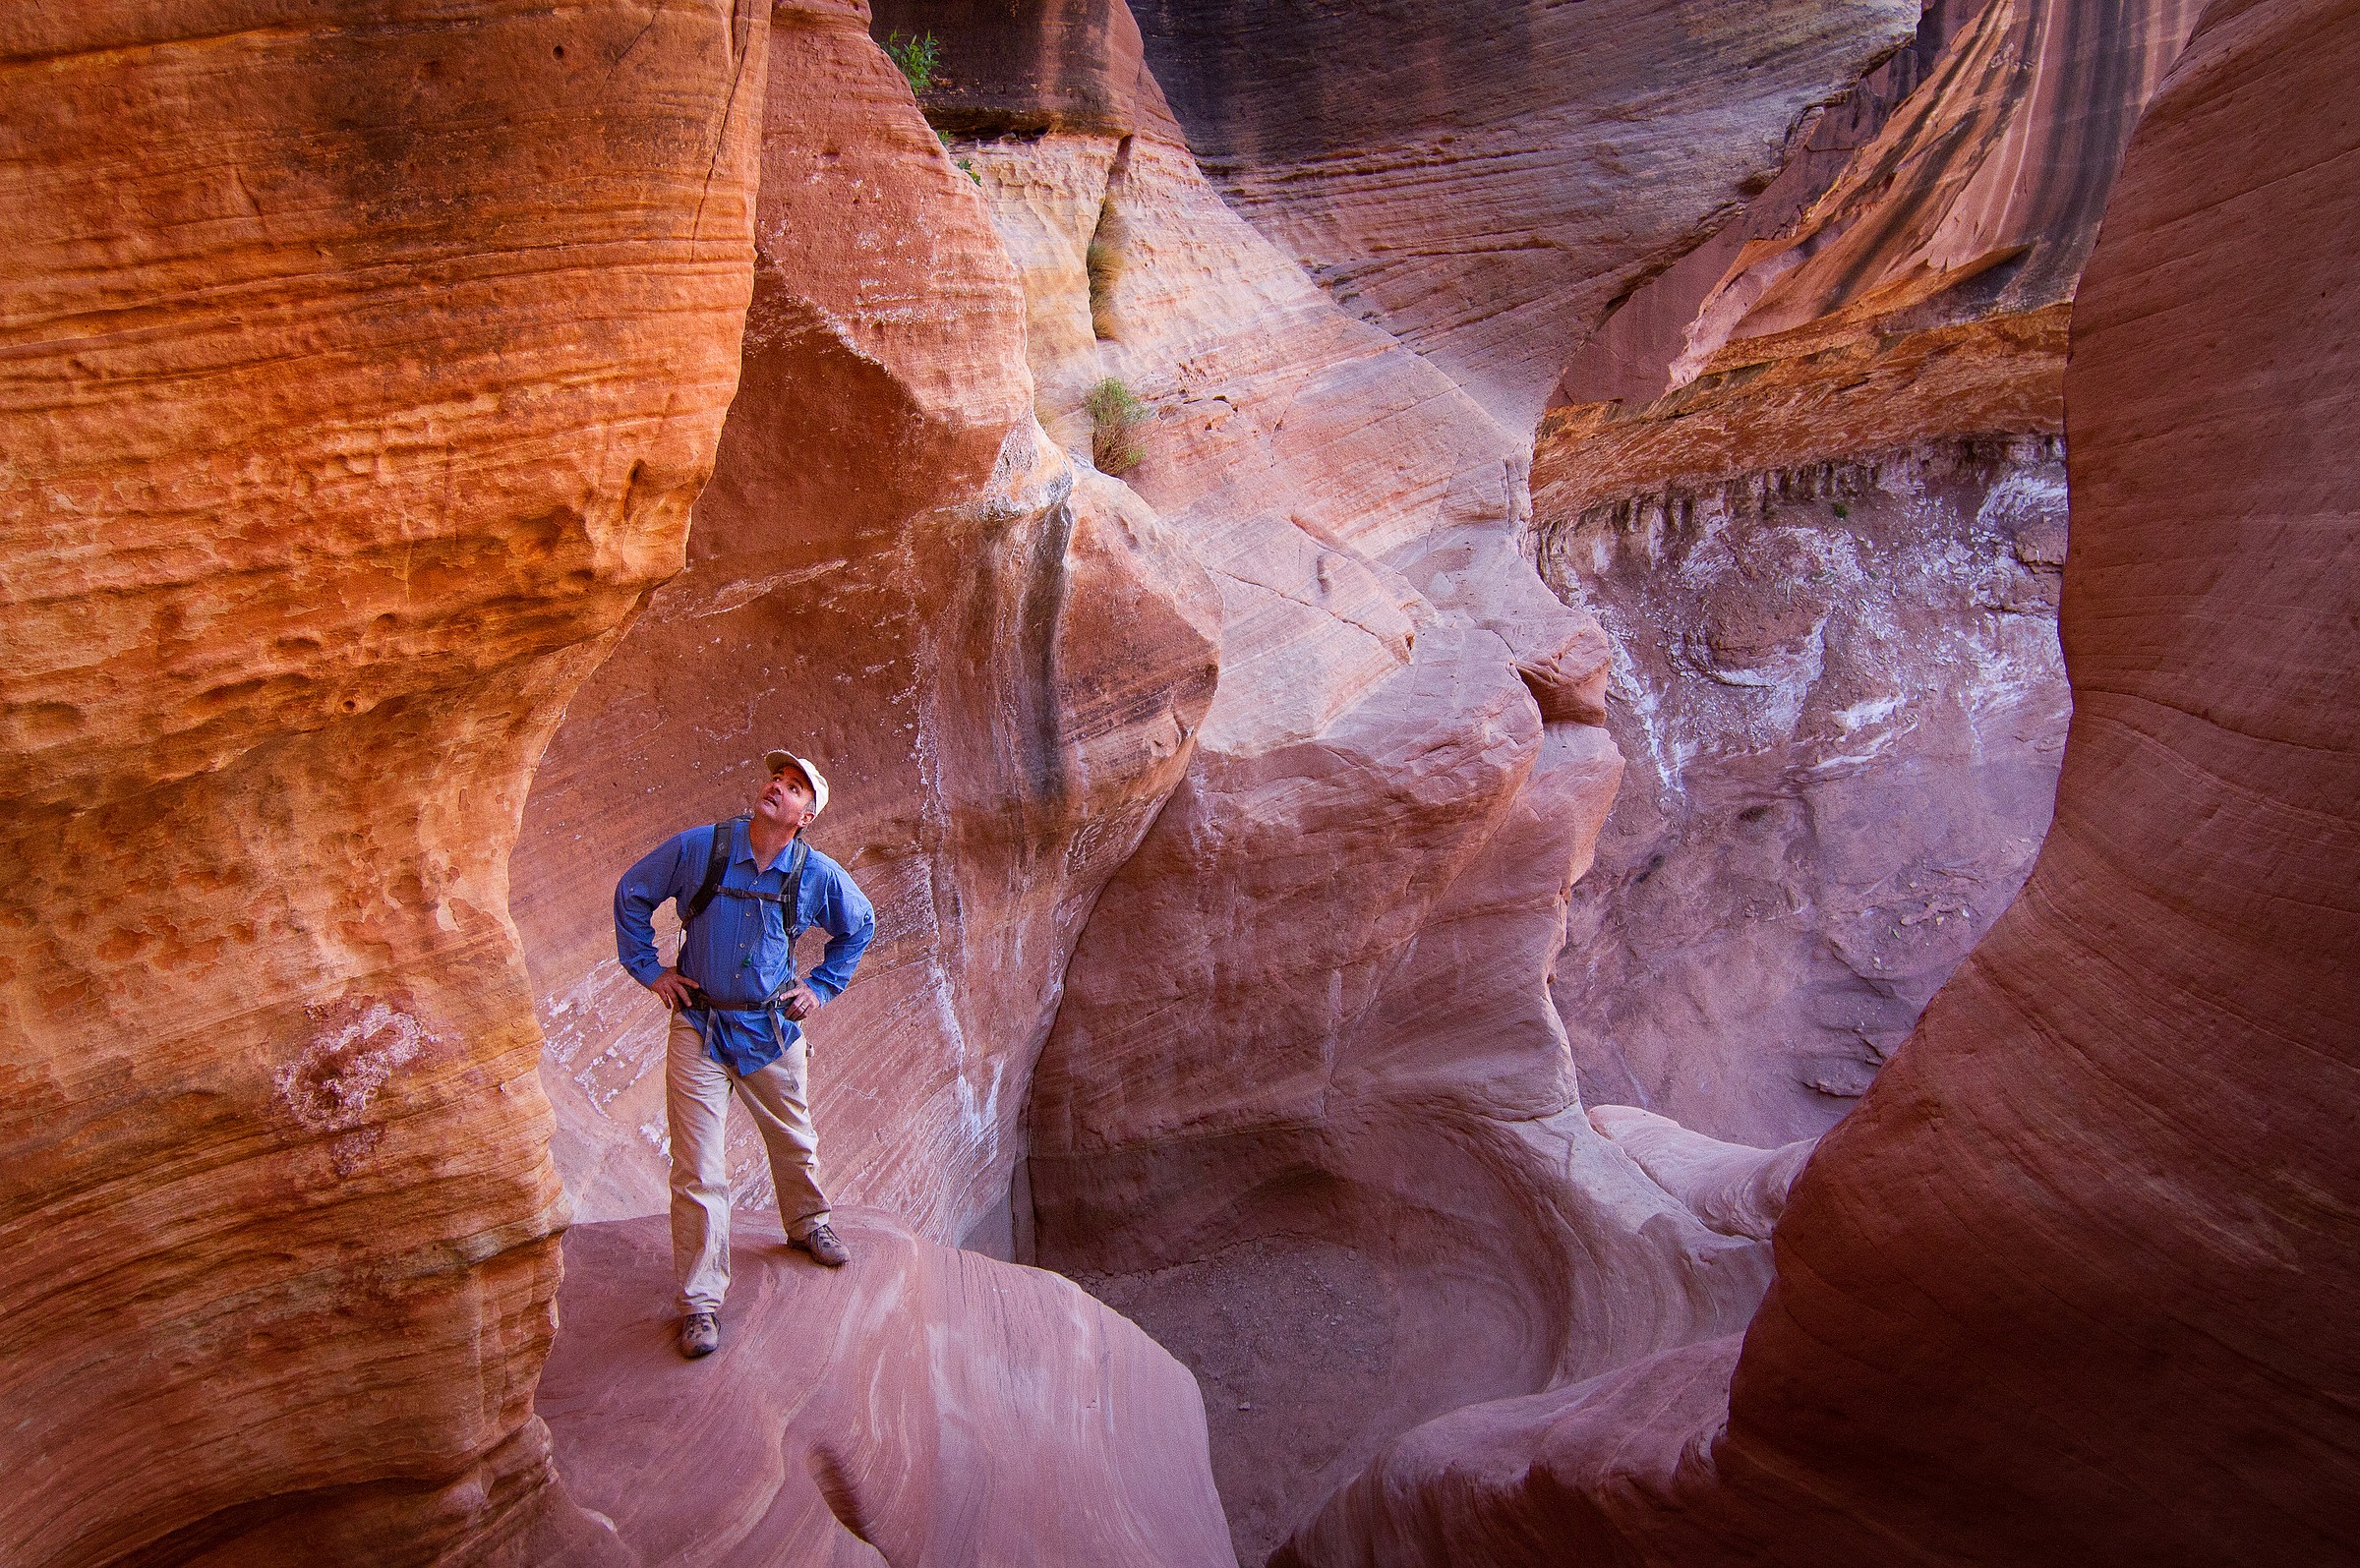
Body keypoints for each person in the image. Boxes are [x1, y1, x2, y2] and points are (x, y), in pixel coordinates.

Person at [613, 749, 876, 1360]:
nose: (777, 787)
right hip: (699, 1027)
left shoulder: (816, 874)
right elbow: (633, 892)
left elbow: (859, 925)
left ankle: (808, 1224)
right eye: (776, 778)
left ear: (806, 816)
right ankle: (700, 1304)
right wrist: (650, 970)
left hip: (770, 1029)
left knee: (793, 1138)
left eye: (794, 787)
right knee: (698, 1168)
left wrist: (820, 987)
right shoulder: (702, 848)